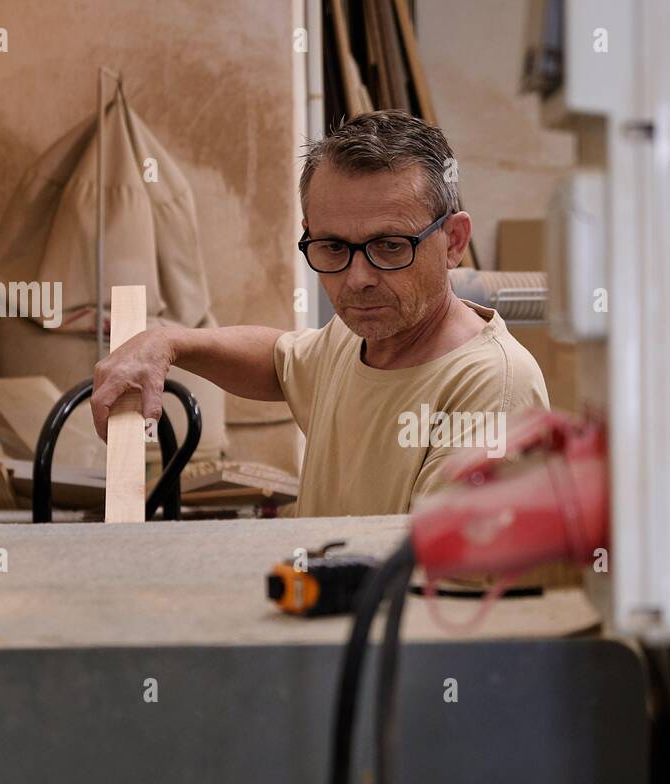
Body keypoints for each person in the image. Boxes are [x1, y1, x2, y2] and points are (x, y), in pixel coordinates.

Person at [90, 110, 549, 517]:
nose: (357, 279)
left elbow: (436, 583)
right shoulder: (357, 339)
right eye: (332, 247)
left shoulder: (491, 386)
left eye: (390, 246)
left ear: (453, 241)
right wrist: (165, 342)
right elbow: (278, 362)